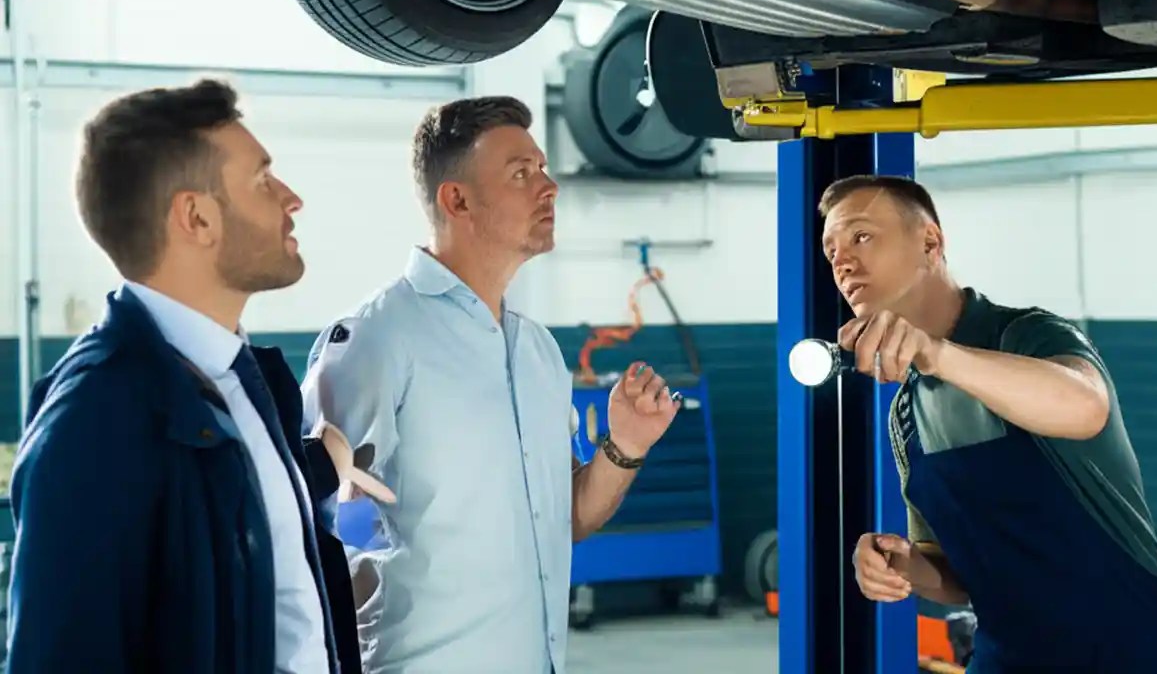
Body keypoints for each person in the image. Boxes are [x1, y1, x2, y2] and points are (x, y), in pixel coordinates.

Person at [300, 95, 681, 674]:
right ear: (457, 200)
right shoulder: (379, 337)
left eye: (544, 169)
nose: (548, 188)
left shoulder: (538, 351)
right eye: (521, 174)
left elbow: (565, 519)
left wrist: (625, 447)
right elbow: (309, 523)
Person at [6, 80, 360, 673]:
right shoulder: (91, 425)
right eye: (262, 180)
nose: (291, 198)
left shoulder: (246, 382)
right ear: (196, 217)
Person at [823, 176, 1157, 673]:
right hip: (1007, 659)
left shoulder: (1027, 336)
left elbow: (1085, 406)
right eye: (831, 251)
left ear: (930, 242)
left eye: (861, 236)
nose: (843, 262)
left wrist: (937, 354)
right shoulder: (907, 415)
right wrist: (903, 566)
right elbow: (955, 571)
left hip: (1125, 653)